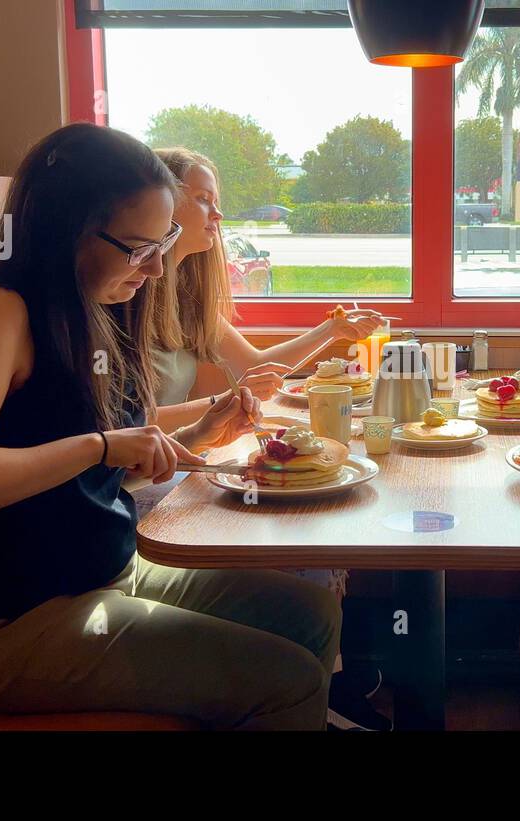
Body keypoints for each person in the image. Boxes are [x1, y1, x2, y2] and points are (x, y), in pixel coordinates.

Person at [0, 123, 341, 730]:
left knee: (311, 613)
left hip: (110, 576)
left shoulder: (96, 310)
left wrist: (188, 440)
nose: (158, 270)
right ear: (67, 229)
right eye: (139, 248)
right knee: (284, 680)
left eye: (164, 243)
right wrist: (97, 446)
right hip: (5, 624)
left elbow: (92, 478)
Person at [133, 147, 390, 730]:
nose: (216, 217)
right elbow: (129, 422)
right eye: (203, 200)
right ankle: (319, 685)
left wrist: (331, 331)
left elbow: (253, 367)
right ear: (157, 198)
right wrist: (212, 411)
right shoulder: (126, 290)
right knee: (293, 522)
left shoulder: (186, 294)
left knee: (305, 515)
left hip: (174, 461)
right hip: (145, 479)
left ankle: (325, 682)